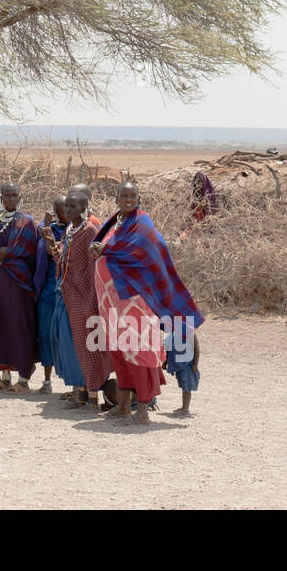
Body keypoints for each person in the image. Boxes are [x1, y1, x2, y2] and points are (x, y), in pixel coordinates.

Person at [91, 181, 205, 425]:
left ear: (139, 198)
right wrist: (98, 248)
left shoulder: (142, 224)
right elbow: (107, 247)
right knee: (120, 352)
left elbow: (139, 250)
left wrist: (106, 249)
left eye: (133, 195)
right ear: (117, 198)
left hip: (135, 303)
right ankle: (124, 405)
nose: (129, 199)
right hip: (112, 304)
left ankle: (142, 409)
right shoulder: (114, 223)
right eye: (124, 195)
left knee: (139, 352)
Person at [50, 188, 113, 410]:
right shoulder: (71, 229)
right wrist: (56, 253)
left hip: (86, 296)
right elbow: (68, 260)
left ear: (84, 209)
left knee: (91, 347)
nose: (67, 210)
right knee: (76, 346)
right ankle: (82, 391)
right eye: (66, 206)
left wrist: (91, 299)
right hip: (70, 294)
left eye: (73, 207)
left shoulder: (90, 231)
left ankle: (93, 395)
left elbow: (94, 266)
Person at [0, 182, 40, 393]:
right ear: (1, 198)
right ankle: (5, 375)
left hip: (18, 282)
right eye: (8, 196)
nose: (11, 199)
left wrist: (9, 253)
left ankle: (23, 379)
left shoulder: (27, 221)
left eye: (15, 195)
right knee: (0, 326)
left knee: (19, 327)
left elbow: (31, 251)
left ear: (20, 197)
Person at [34, 196, 78, 395]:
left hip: (68, 290)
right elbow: (41, 258)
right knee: (45, 335)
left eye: (69, 208)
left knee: (66, 337)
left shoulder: (76, 231)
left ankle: (73, 383)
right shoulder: (45, 230)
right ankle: (46, 380)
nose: (66, 212)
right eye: (62, 208)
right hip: (48, 290)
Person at [164, 332, 201, 416]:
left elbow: (196, 349)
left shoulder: (190, 333)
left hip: (188, 365)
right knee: (183, 385)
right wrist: (166, 361)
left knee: (187, 386)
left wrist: (195, 364)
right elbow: (169, 350)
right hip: (179, 365)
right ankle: (184, 407)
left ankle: (185, 409)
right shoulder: (172, 334)